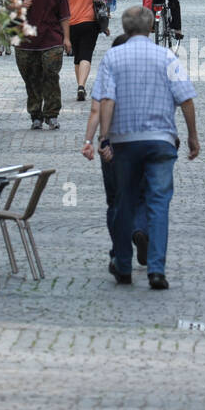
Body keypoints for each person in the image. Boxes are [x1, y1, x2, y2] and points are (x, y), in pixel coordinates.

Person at [94, 6, 201, 289]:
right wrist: (192, 136)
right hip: (160, 141)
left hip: (124, 141)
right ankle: (156, 269)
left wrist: (104, 138)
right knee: (158, 204)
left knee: (124, 201)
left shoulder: (112, 57)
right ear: (151, 28)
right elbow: (186, 99)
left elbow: (106, 100)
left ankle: (124, 265)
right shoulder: (167, 56)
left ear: (125, 30)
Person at [82, 32, 150, 276]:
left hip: (114, 146)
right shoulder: (149, 72)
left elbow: (95, 110)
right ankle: (140, 229)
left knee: (116, 202)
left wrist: (92, 140)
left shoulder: (109, 70)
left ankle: (119, 256)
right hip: (144, 143)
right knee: (141, 197)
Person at [9, 0, 71, 129]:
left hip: (51, 40)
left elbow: (64, 15)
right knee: (31, 79)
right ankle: (35, 114)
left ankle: (52, 114)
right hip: (25, 41)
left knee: (51, 76)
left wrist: (66, 38)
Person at [61, 0, 104, 103]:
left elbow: (62, 6)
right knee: (86, 55)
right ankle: (81, 85)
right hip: (90, 22)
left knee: (77, 56)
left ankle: (80, 85)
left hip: (71, 24)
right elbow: (100, 0)